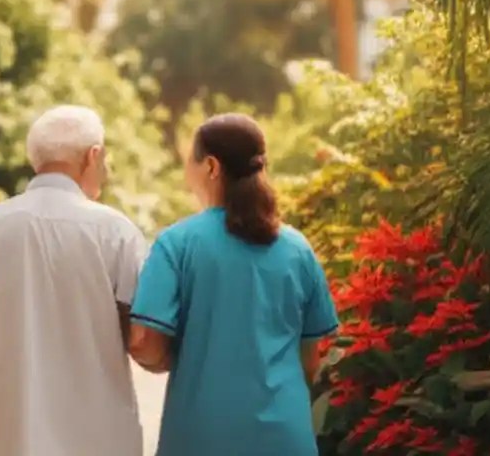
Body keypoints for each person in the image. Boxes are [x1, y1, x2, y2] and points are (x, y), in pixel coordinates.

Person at [0, 105, 148, 456]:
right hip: (101, 444)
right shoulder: (117, 234)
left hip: (3, 444)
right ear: (93, 155)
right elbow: (145, 336)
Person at [128, 113, 338, 456]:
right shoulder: (298, 248)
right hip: (286, 436)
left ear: (211, 166)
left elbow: (143, 341)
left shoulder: (176, 243)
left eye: (189, 163)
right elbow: (313, 359)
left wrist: (175, 358)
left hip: (202, 435)